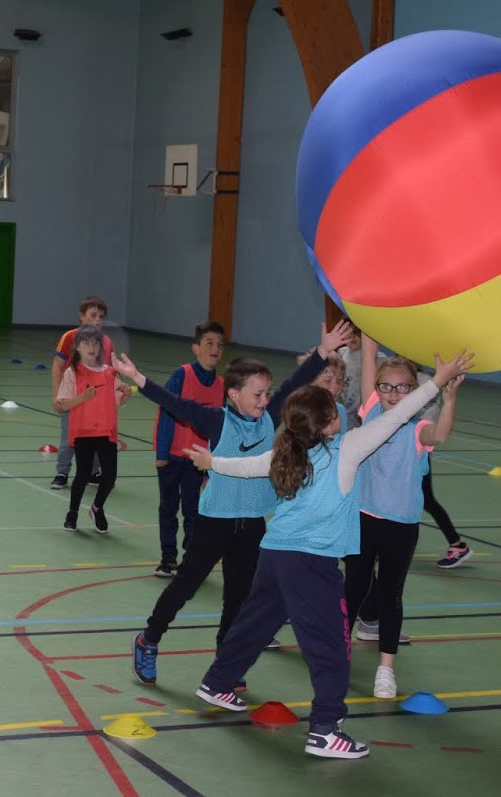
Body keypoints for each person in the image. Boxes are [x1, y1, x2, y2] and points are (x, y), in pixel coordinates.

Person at [187, 349, 473, 759]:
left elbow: (248, 467)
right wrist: (437, 380)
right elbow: (396, 417)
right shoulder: (345, 450)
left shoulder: (287, 450)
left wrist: (212, 461)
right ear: (327, 423)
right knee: (330, 647)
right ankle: (325, 729)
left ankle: (217, 682)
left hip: (274, 556)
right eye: (336, 411)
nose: (344, 412)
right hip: (310, 564)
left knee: (254, 623)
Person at [116, 321, 350, 687]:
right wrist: (138, 378)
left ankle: (226, 664)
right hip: (215, 521)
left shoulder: (270, 417)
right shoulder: (216, 420)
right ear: (234, 395)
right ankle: (149, 638)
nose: (265, 400)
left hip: (253, 522)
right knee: (185, 585)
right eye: (257, 394)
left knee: (238, 597)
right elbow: (174, 403)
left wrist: (323, 351)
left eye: (267, 393)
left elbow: (294, 381)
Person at [343, 342, 465, 699]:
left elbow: (439, 435)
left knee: (390, 594)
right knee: (353, 589)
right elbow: (367, 357)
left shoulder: (418, 429)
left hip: (401, 526)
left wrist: (451, 399)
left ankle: (386, 670)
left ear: (414, 391)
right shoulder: (369, 414)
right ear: (375, 389)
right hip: (364, 518)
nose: (393, 394)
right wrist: (369, 326)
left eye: (402, 387)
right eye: (386, 386)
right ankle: (339, 654)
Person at [150, 321, 226, 576]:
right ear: (196, 348)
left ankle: (190, 560)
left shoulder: (222, 385)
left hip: (199, 460)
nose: (215, 349)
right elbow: (166, 411)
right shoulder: (182, 375)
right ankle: (168, 558)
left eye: (219, 345)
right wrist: (162, 453)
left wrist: (212, 466)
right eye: (209, 343)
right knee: (168, 508)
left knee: (193, 511)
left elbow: (220, 428)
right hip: (172, 455)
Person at [55, 326, 131, 532]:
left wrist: (125, 393)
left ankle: (97, 508)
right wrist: (82, 398)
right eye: (87, 342)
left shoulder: (109, 373)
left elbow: (117, 400)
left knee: (109, 477)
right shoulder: (73, 373)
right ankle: (73, 512)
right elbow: (64, 404)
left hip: (107, 431)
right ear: (77, 347)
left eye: (95, 342)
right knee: (82, 474)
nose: (92, 346)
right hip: (84, 431)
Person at [49, 297, 113, 489]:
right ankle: (62, 472)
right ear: (81, 316)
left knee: (95, 436)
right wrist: (57, 396)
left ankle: (93, 472)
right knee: (69, 436)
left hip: (96, 399)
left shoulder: (106, 342)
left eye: (100, 317)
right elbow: (57, 365)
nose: (97, 320)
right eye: (93, 315)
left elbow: (108, 371)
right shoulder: (70, 337)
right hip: (73, 398)